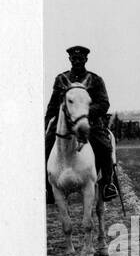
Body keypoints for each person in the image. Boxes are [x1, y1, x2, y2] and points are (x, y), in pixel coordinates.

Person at [44, 45, 117, 200]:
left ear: (86, 59)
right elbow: (53, 105)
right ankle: (47, 186)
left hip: (88, 123)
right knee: (46, 144)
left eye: (80, 59)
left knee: (104, 145)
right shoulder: (61, 79)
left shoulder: (95, 80)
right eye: (74, 58)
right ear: (70, 59)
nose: (77, 61)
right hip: (64, 125)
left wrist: (83, 114)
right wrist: (47, 124)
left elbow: (104, 103)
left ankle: (107, 184)